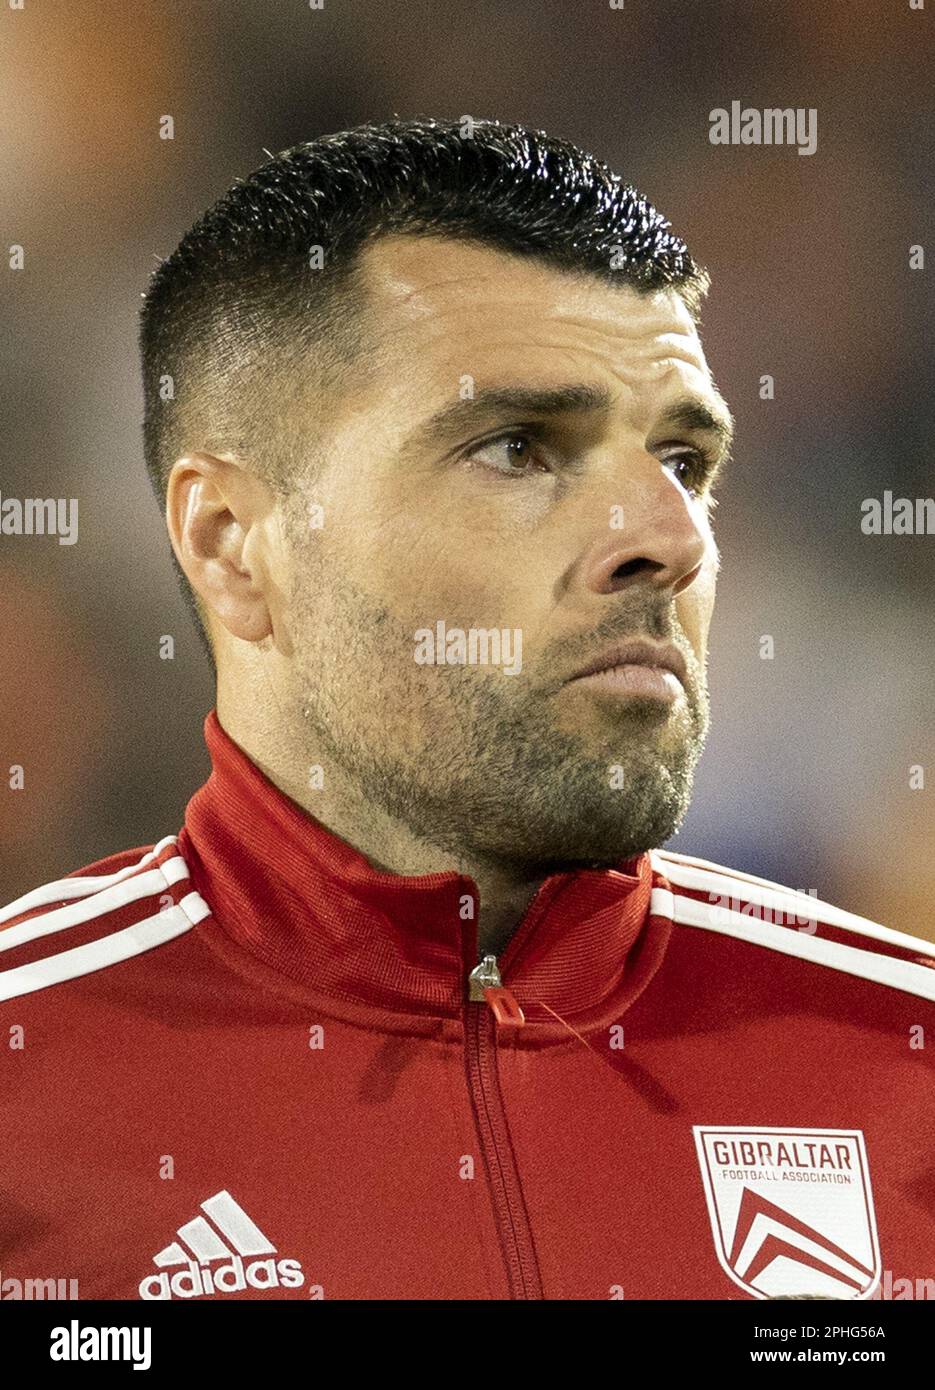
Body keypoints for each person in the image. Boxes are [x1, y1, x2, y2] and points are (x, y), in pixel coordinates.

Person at [2, 119, 932, 1302]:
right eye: (517, 449)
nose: (667, 540)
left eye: (684, 461)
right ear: (231, 543)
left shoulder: (906, 1065)